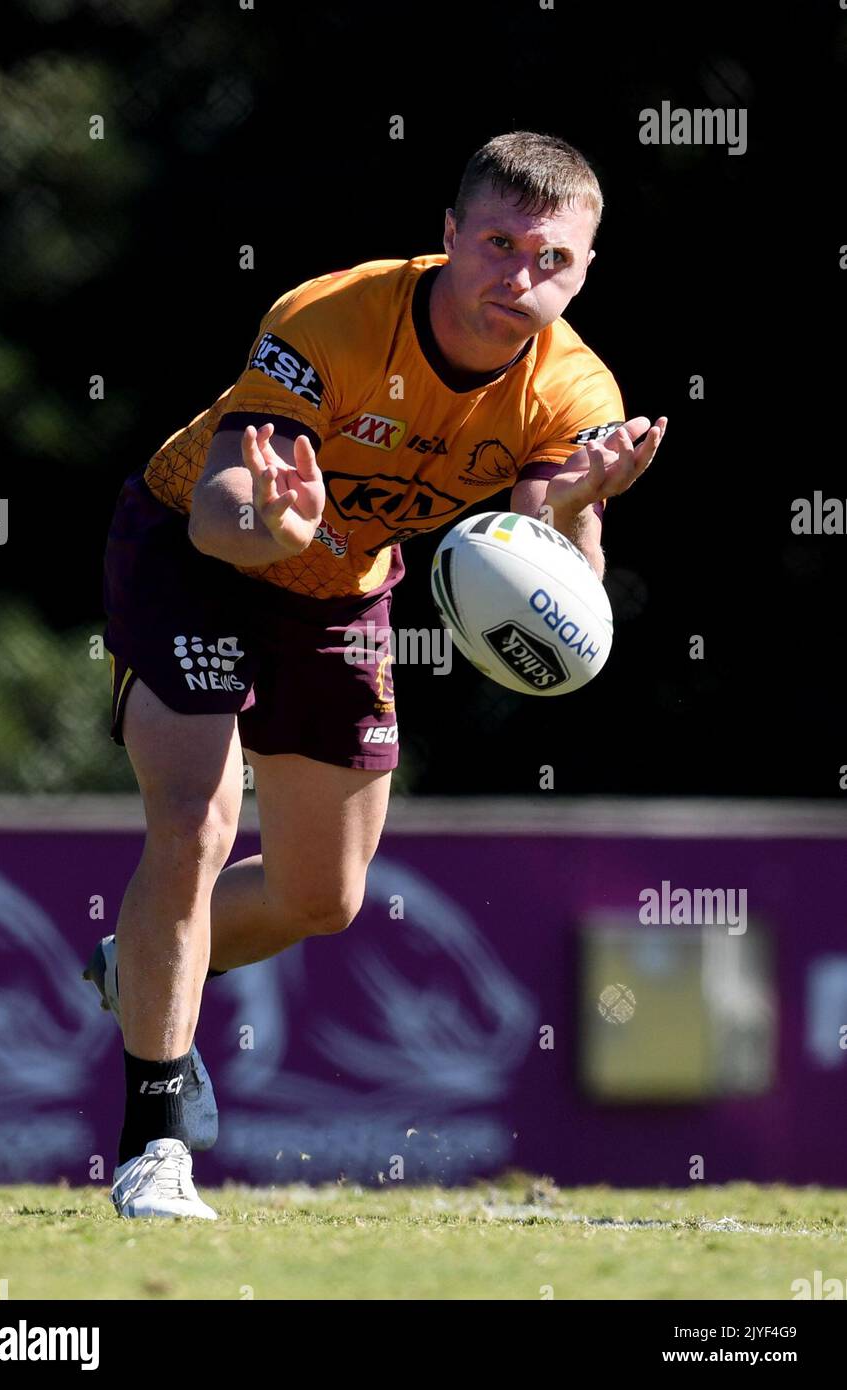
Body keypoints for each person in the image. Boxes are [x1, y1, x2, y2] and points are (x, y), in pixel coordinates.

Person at [85, 129, 667, 1218]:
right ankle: (153, 1144)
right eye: (499, 243)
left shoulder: (574, 388)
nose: (521, 276)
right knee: (194, 826)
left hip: (345, 585)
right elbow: (219, 511)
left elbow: (545, 559)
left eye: (553, 260)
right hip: (194, 554)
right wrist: (274, 522)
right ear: (447, 236)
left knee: (323, 895)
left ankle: (144, 963)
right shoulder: (330, 317)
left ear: (585, 270)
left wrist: (584, 511)